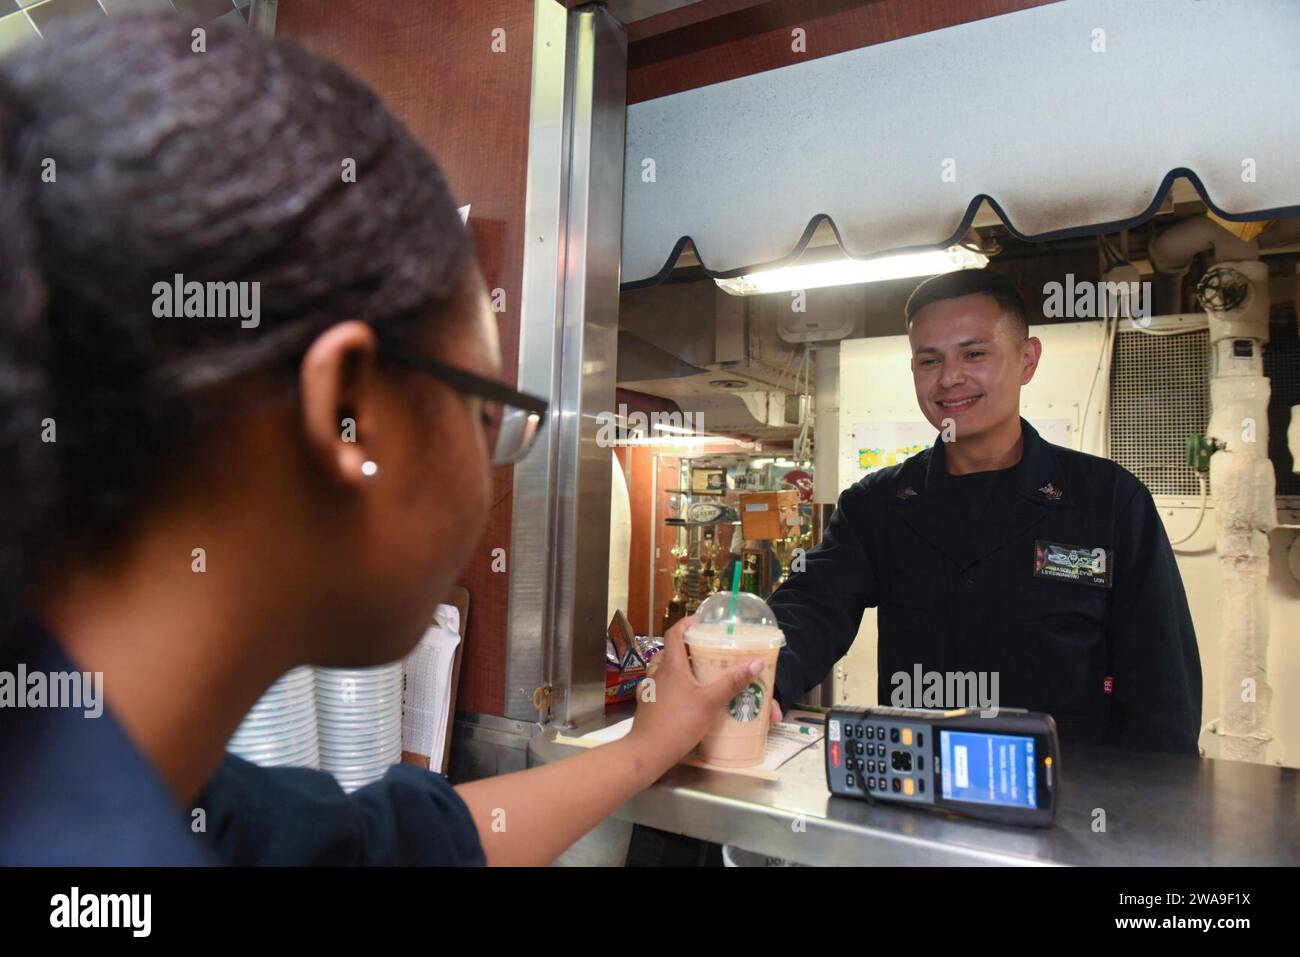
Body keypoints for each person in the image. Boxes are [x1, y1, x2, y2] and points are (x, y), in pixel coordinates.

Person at [0, 14, 764, 866]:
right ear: (349, 413)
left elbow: (391, 846)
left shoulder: (165, 785)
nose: (490, 476)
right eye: (489, 413)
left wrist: (644, 748)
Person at [767, 269, 1203, 755]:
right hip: (923, 787)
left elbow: (1162, 683)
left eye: (974, 354)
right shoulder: (878, 505)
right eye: (929, 360)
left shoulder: (1108, 500)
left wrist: (1149, 808)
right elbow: (813, 606)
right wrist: (761, 678)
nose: (950, 378)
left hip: (1071, 798)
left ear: (1027, 359)